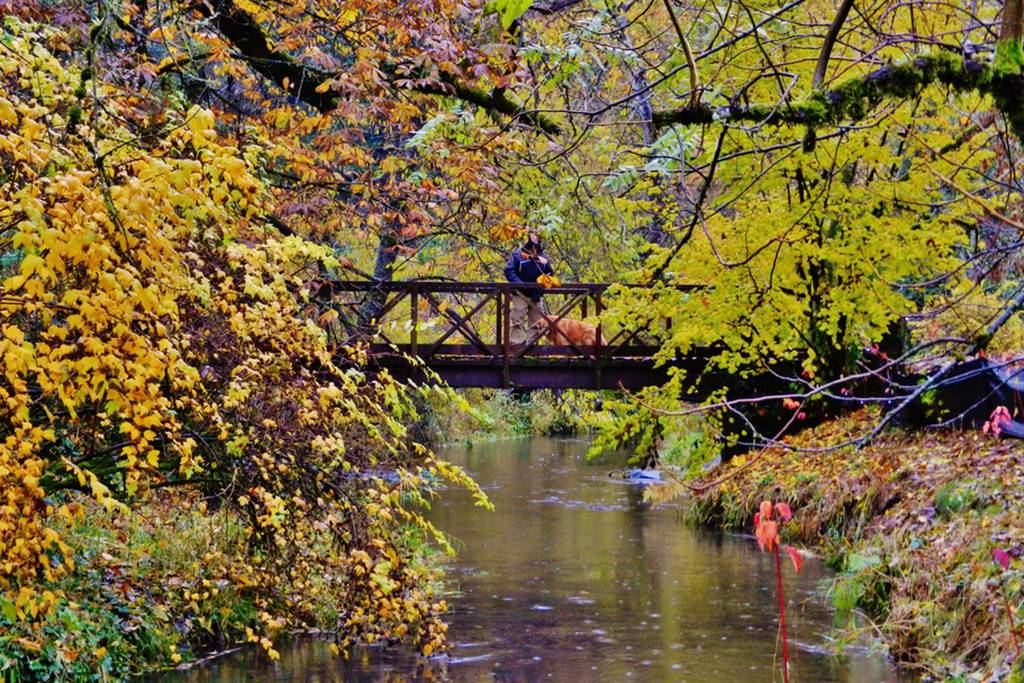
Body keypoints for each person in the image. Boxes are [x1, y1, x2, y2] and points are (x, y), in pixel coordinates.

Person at [504, 233, 554, 344]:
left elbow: (550, 274)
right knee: (517, 319)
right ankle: (516, 345)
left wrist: (541, 288)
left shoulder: (543, 257)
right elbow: (509, 270)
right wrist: (520, 284)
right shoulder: (518, 255)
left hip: (536, 294)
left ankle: (531, 345)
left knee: (537, 321)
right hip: (520, 293)